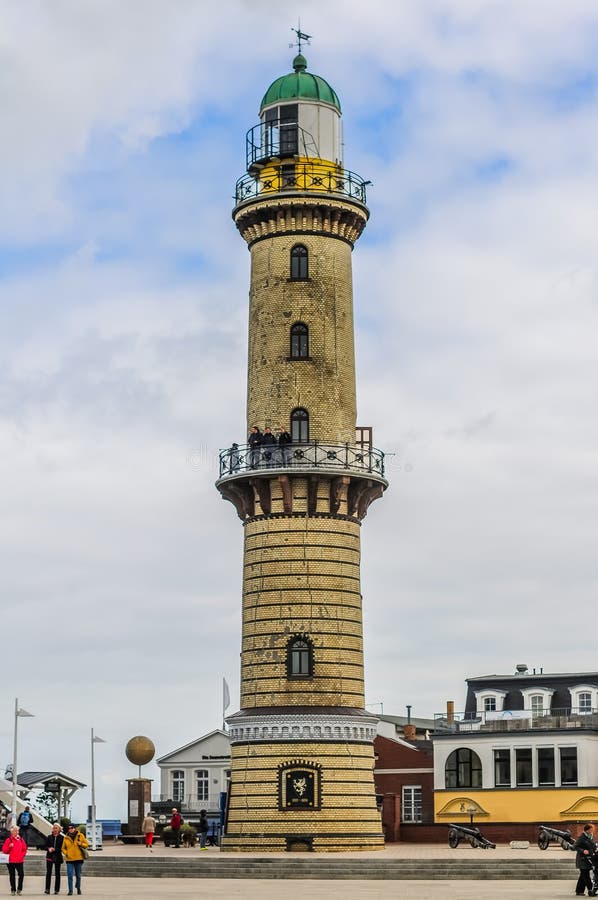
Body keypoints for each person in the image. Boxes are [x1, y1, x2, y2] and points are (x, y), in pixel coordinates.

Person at [62, 823, 89, 896]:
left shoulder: (81, 836)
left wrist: (81, 844)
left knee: (78, 875)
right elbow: (63, 848)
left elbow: (86, 845)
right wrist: (66, 853)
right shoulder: (66, 837)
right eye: (69, 828)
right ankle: (70, 890)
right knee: (70, 875)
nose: (70, 829)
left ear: (75, 828)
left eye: (71, 828)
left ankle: (78, 887)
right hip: (69, 859)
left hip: (78, 858)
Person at [2, 825, 27, 896]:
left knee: (21, 874)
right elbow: (4, 850)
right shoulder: (8, 840)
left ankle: (19, 889)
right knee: (12, 875)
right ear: (12, 832)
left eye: (18, 830)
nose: (17, 832)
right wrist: (9, 847)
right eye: (15, 831)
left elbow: (24, 849)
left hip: (19, 860)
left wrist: (22, 855)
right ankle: (13, 889)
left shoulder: (21, 839)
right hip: (11, 861)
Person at [574, 823, 595, 896]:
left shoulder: (590, 837)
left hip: (588, 859)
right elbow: (575, 846)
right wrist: (583, 851)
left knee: (583, 875)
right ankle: (591, 890)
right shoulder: (582, 837)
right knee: (585, 875)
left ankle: (579, 891)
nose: (593, 830)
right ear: (588, 830)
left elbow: (592, 846)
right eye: (592, 829)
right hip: (582, 859)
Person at [44, 822, 64, 895]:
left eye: (56, 828)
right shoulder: (49, 837)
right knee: (48, 873)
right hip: (49, 857)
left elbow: (62, 848)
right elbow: (45, 846)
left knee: (57, 873)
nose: (55, 829)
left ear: (59, 829)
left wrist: (55, 849)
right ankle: (47, 889)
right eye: (54, 828)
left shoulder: (62, 838)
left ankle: (56, 890)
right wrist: (49, 848)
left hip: (58, 857)